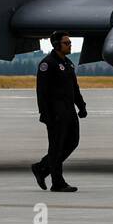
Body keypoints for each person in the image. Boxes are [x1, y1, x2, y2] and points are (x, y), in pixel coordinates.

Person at [32, 31, 87, 192]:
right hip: (55, 114)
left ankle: (42, 167)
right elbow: (41, 92)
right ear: (57, 45)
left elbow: (74, 88)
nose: (70, 45)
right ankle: (57, 182)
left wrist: (81, 106)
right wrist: (45, 114)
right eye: (66, 43)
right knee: (56, 147)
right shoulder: (47, 64)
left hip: (69, 112)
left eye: (70, 43)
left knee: (72, 142)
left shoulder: (68, 64)